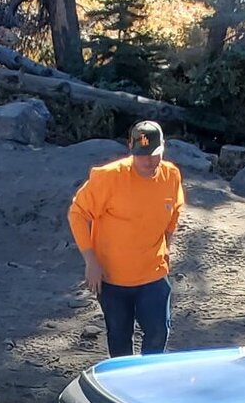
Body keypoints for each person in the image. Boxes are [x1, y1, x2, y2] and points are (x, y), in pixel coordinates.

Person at [67, 120, 184, 356]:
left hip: (153, 274)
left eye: (154, 154)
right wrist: (91, 261)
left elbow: (174, 214)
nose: (148, 161)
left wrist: (166, 248)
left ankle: (149, 383)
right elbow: (77, 213)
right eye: (141, 155)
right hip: (112, 279)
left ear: (163, 147)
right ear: (130, 147)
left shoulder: (171, 175)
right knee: (119, 339)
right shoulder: (108, 178)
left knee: (158, 332)